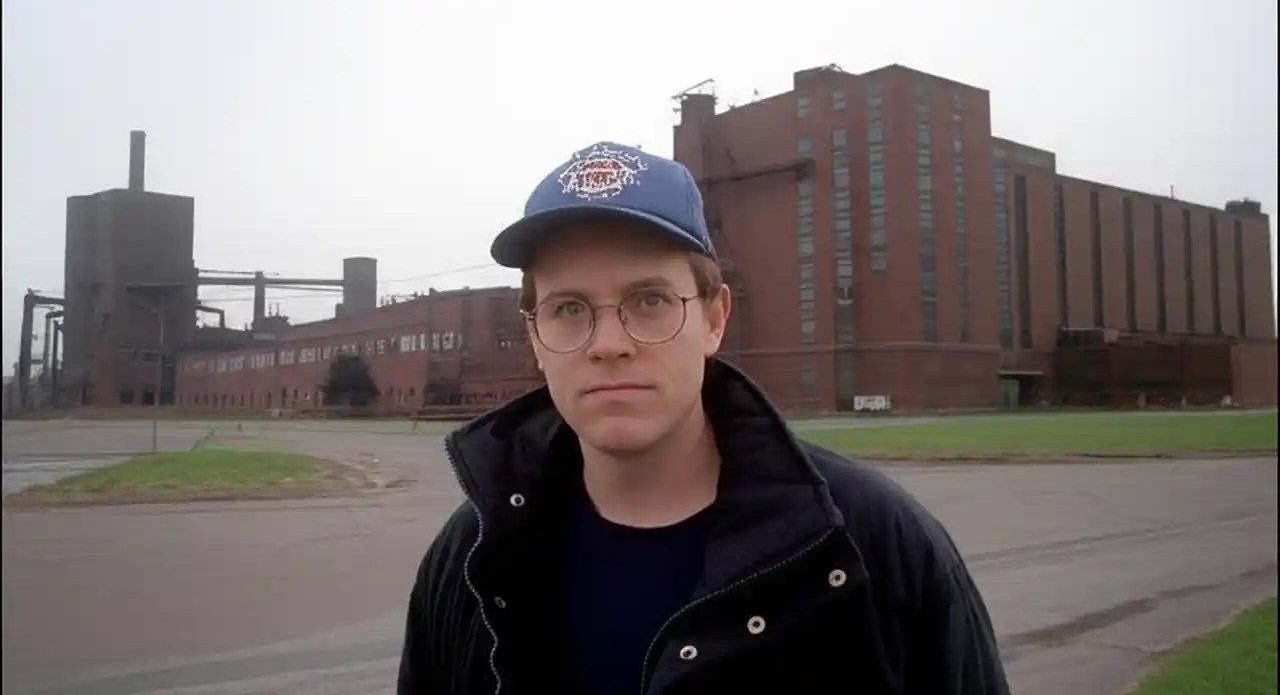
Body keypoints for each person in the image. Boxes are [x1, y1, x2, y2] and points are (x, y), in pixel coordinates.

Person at [398, 142, 1009, 694]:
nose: (608, 344)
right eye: (569, 309)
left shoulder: (872, 545)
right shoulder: (472, 558)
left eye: (650, 300)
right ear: (534, 336)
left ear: (715, 319)